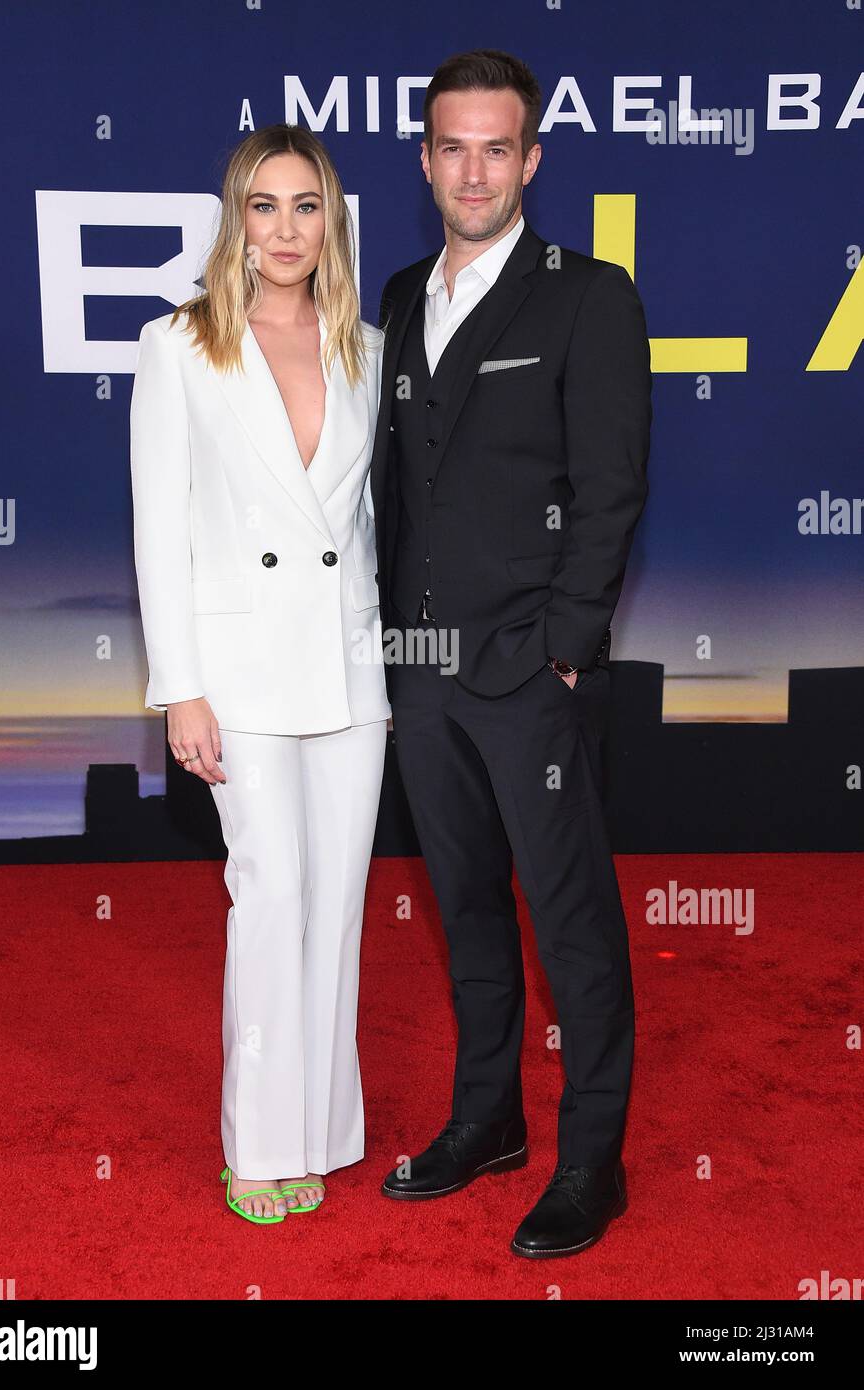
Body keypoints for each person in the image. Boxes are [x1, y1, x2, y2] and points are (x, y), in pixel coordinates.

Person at [370, 50, 652, 1257]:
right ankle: (487, 1117)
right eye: (452, 147)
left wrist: (570, 649)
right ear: (426, 160)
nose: (473, 169)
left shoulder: (588, 295)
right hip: (422, 671)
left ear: (530, 160)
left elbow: (612, 487)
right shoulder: (394, 296)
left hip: (532, 674)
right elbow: (390, 486)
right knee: (466, 906)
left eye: (498, 147)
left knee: (571, 918)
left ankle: (595, 1154)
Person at [129, 125, 391, 1225]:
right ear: (235, 219)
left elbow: (369, 518)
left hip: (347, 667)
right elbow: (160, 527)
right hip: (239, 674)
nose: (287, 229)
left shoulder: (367, 346)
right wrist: (180, 684)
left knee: (335, 907)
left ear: (332, 220)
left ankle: (322, 1131)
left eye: (308, 205)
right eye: (265, 205)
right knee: (270, 893)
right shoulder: (178, 345)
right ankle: (259, 1141)